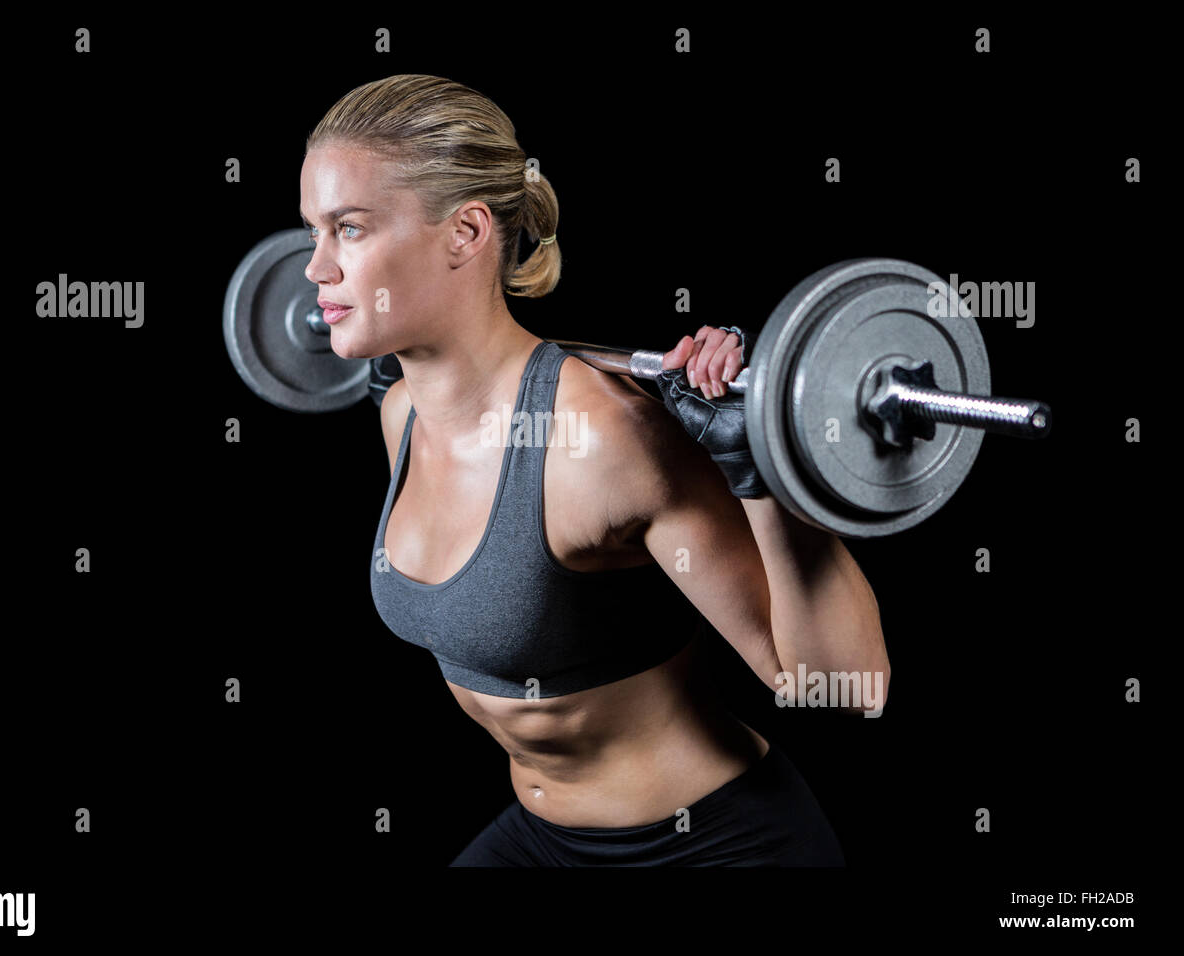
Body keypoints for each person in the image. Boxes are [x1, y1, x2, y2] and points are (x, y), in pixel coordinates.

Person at [300, 74, 888, 865]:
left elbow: (847, 689)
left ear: (466, 233)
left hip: (715, 844)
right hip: (543, 841)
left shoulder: (607, 438)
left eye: (350, 229)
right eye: (313, 232)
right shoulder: (400, 414)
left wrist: (765, 479)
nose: (315, 268)